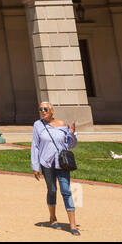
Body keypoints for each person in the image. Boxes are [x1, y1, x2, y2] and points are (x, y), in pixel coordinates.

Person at [32, 101, 79, 235]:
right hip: (46, 163)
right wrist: (35, 166)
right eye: (40, 109)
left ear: (52, 110)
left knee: (66, 191)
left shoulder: (62, 124)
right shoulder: (38, 125)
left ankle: (73, 225)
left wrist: (72, 134)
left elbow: (70, 145)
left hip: (62, 163)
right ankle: (53, 218)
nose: (43, 111)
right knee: (52, 190)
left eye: (45, 109)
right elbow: (35, 145)